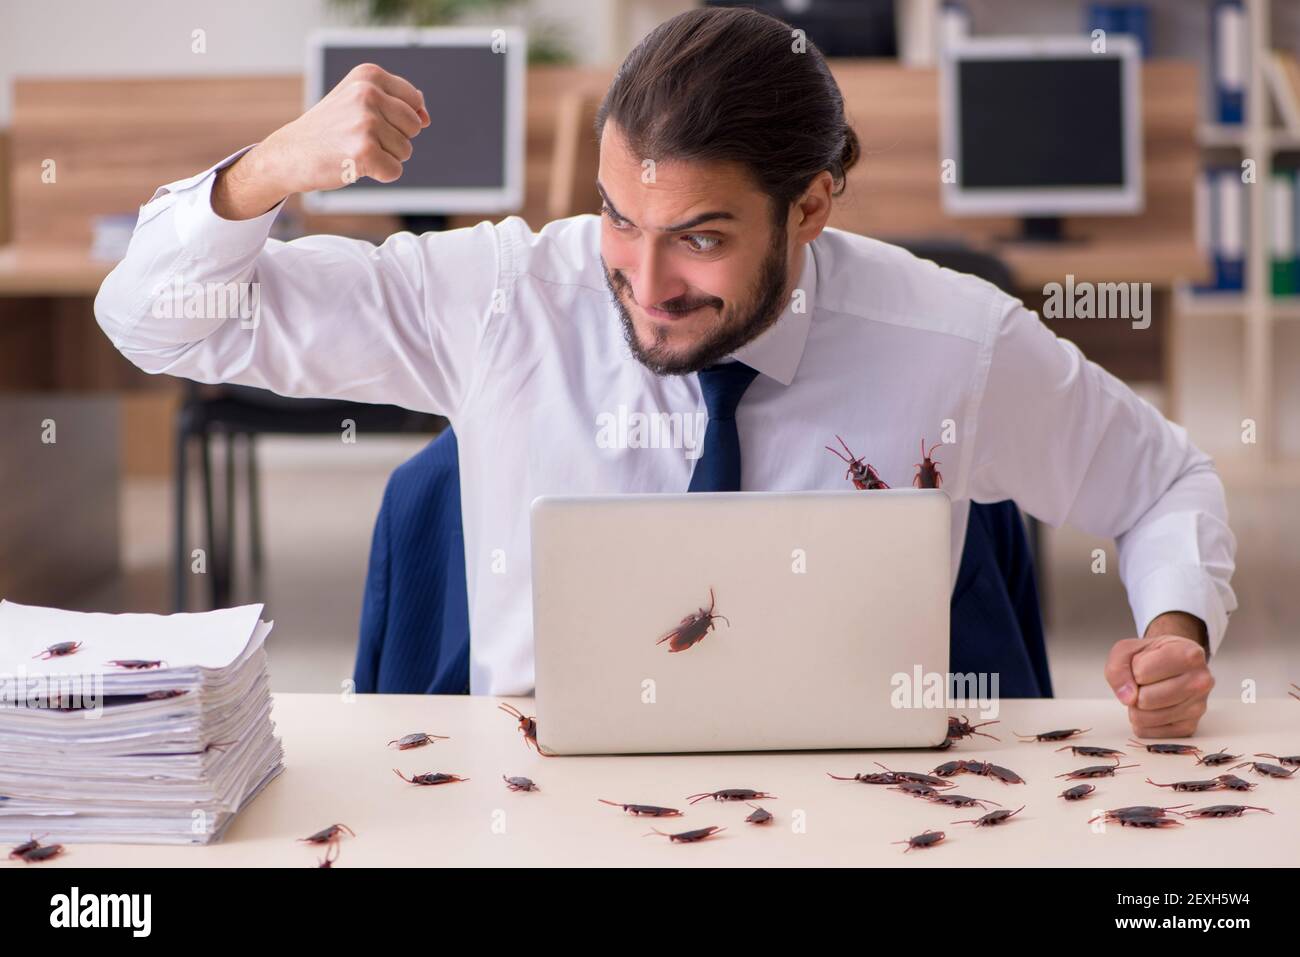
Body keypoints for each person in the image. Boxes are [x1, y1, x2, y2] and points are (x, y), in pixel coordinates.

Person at [94, 7, 1235, 734]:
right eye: (617, 219)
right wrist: (267, 171)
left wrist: (1175, 634)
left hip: (858, 804)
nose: (643, 281)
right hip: (538, 797)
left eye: (699, 236)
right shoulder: (506, 297)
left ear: (811, 207)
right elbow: (155, 325)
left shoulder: (952, 342)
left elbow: (1161, 485)